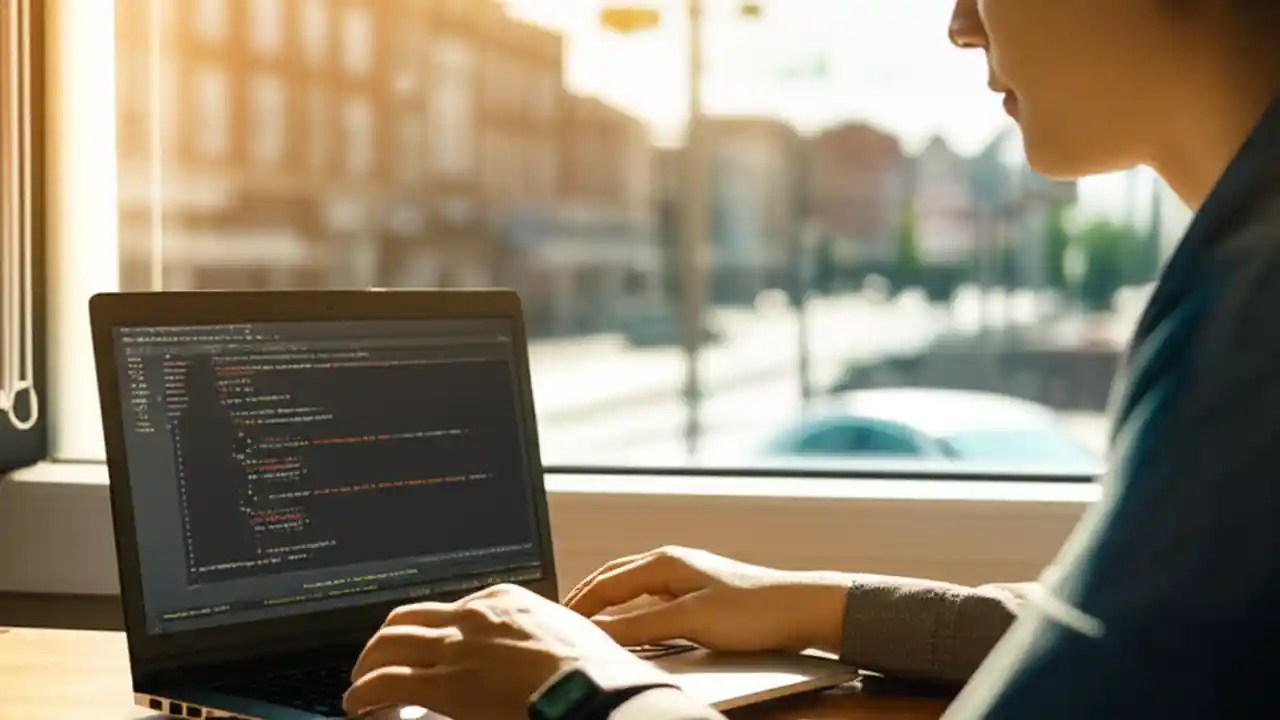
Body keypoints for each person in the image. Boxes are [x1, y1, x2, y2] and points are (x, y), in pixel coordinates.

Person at [343, 0, 1280, 717]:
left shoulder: (1251, 311)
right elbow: (1189, 645)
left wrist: (583, 693)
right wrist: (826, 606)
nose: (960, 25)